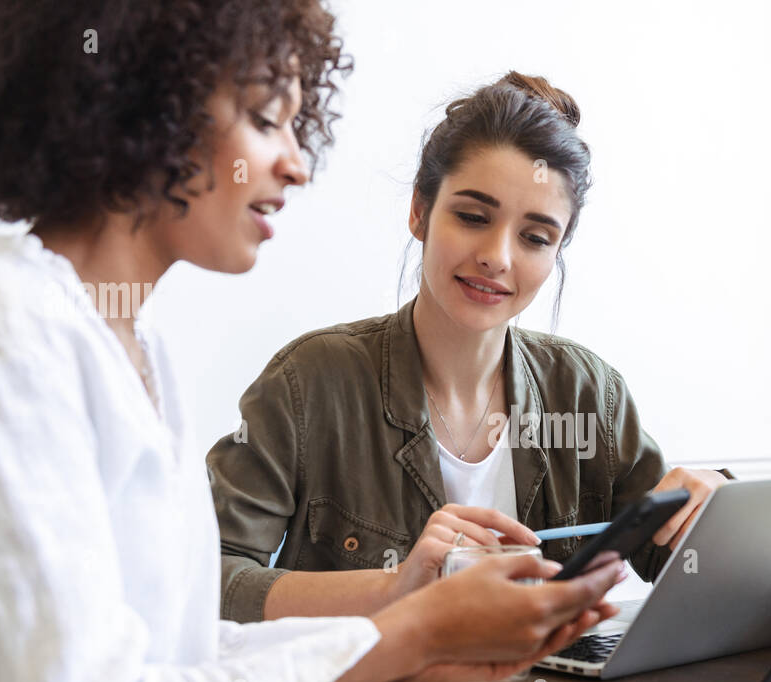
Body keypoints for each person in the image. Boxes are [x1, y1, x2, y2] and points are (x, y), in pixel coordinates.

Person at [0, 0, 622, 682]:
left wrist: (408, 623)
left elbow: (181, 657)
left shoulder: (129, 343)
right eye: (268, 118)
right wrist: (410, 635)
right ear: (140, 102)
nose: (298, 161)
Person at [205, 72, 727, 625]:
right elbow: (206, 579)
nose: (497, 257)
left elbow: (700, 577)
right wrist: (394, 589)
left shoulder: (589, 396)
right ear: (419, 211)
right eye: (473, 217)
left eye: (535, 237)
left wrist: (720, 509)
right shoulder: (309, 383)